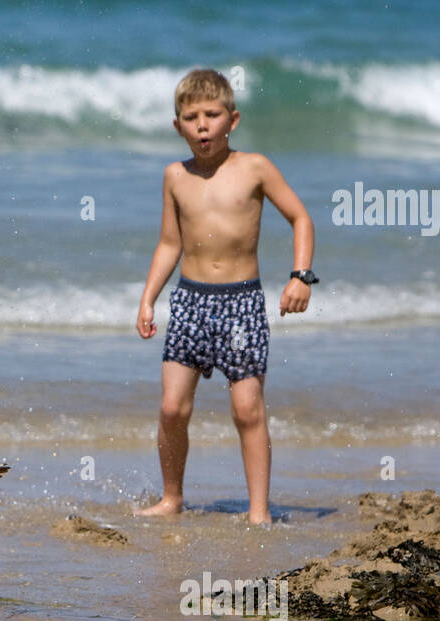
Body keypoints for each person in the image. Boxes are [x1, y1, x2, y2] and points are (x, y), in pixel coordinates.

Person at [134, 69, 316, 525]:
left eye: (211, 115)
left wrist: (300, 277)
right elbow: (170, 244)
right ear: (177, 127)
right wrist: (148, 298)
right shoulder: (175, 176)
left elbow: (301, 219)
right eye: (190, 117)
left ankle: (259, 511)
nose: (202, 125)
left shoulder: (255, 168)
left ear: (232, 120)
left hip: (241, 304)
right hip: (190, 302)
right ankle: (172, 497)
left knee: (247, 409)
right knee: (172, 407)